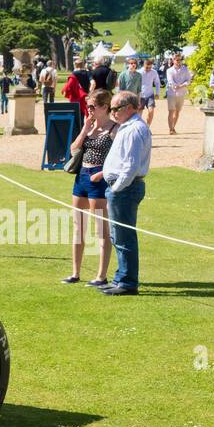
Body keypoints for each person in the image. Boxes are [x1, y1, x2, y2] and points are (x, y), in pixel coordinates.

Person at [95, 91, 150, 296]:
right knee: (117, 235)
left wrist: (116, 188)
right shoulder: (127, 127)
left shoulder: (134, 129)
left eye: (116, 108)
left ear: (129, 108)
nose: (113, 112)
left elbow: (131, 166)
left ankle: (127, 282)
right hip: (120, 187)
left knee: (124, 236)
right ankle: (121, 277)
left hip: (125, 189)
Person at [65, 89, 116, 286]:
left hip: (98, 179)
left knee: (101, 230)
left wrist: (103, 173)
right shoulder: (90, 126)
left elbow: (119, 158)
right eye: (88, 106)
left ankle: (101, 275)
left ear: (105, 107)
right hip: (81, 177)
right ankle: (75, 273)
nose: (89, 109)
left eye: (93, 106)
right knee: (78, 227)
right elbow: (73, 149)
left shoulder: (114, 129)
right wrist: (85, 129)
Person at [165, 55, 191, 135]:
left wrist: (181, 85)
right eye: (177, 60)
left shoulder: (185, 69)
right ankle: (171, 129)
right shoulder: (169, 70)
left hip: (181, 93)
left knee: (177, 112)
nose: (178, 61)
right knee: (171, 111)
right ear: (173, 60)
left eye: (180, 60)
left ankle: (173, 127)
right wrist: (176, 85)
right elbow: (170, 80)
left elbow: (188, 80)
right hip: (171, 92)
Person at [138, 57, 161, 127]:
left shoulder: (154, 72)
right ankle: (139, 128)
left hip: (150, 95)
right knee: (139, 114)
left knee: (151, 111)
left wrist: (157, 93)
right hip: (140, 95)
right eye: (147, 67)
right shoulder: (139, 72)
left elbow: (157, 82)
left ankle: (147, 127)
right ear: (144, 65)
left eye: (150, 67)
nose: (148, 69)